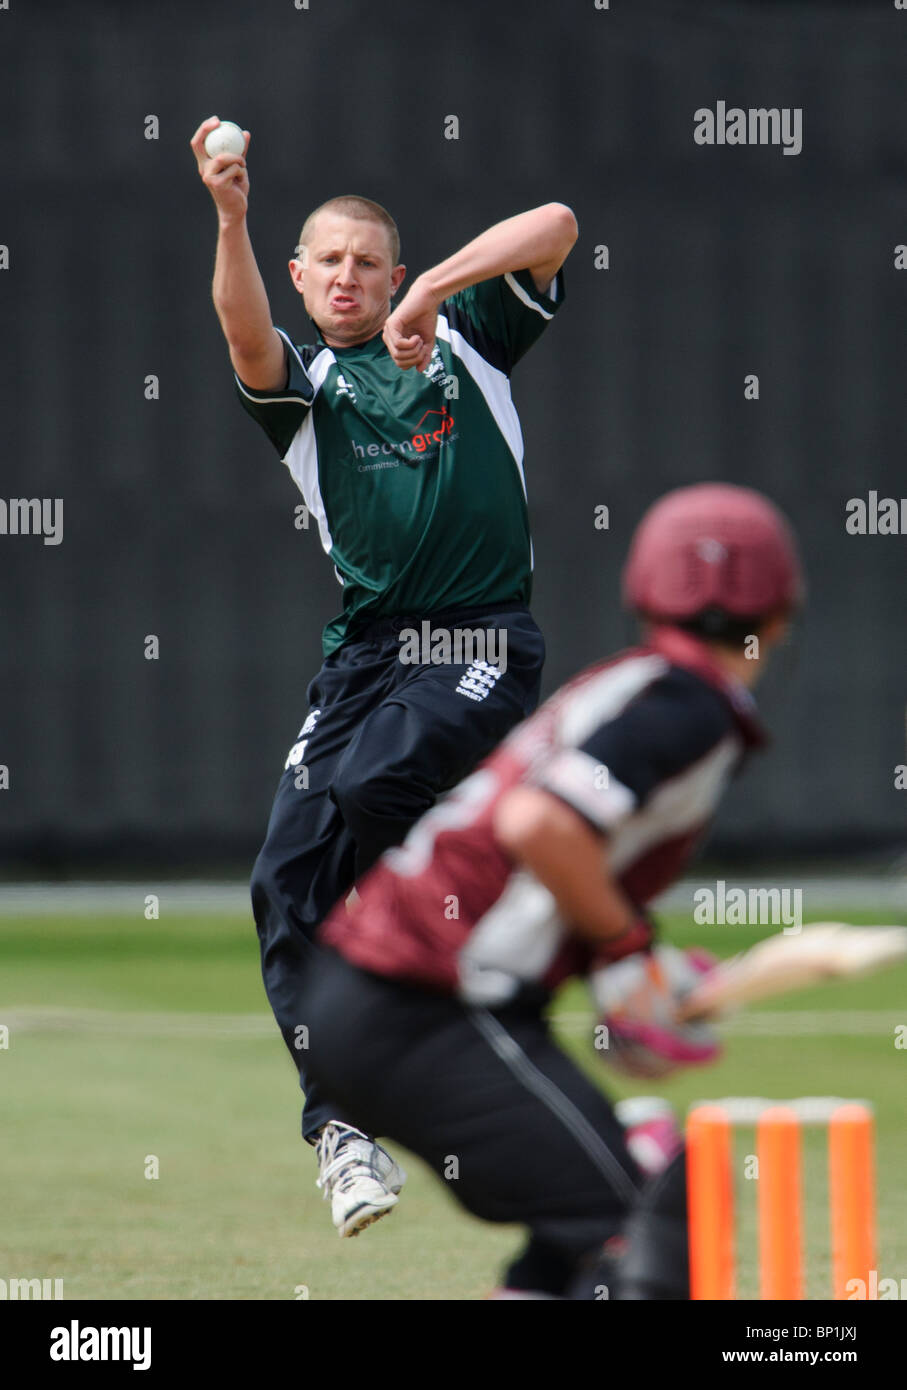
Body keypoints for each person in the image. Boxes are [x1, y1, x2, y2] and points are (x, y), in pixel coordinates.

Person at [189, 116, 578, 1235]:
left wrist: (438, 295)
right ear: (303, 280)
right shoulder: (307, 390)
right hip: (365, 657)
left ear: (393, 274)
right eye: (329, 262)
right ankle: (346, 1132)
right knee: (284, 876)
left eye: (370, 261)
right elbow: (237, 325)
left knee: (373, 788)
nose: (349, 276)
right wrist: (230, 214)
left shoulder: (468, 339)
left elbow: (557, 226)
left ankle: (491, 924)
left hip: (478, 639)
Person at [295, 483, 805, 1297]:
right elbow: (541, 824)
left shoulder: (637, 683)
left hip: (384, 1000)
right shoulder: (687, 704)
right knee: (641, 1227)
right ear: (779, 611)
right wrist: (627, 952)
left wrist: (620, 973)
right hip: (424, 1009)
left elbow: (552, 845)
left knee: (584, 1234)